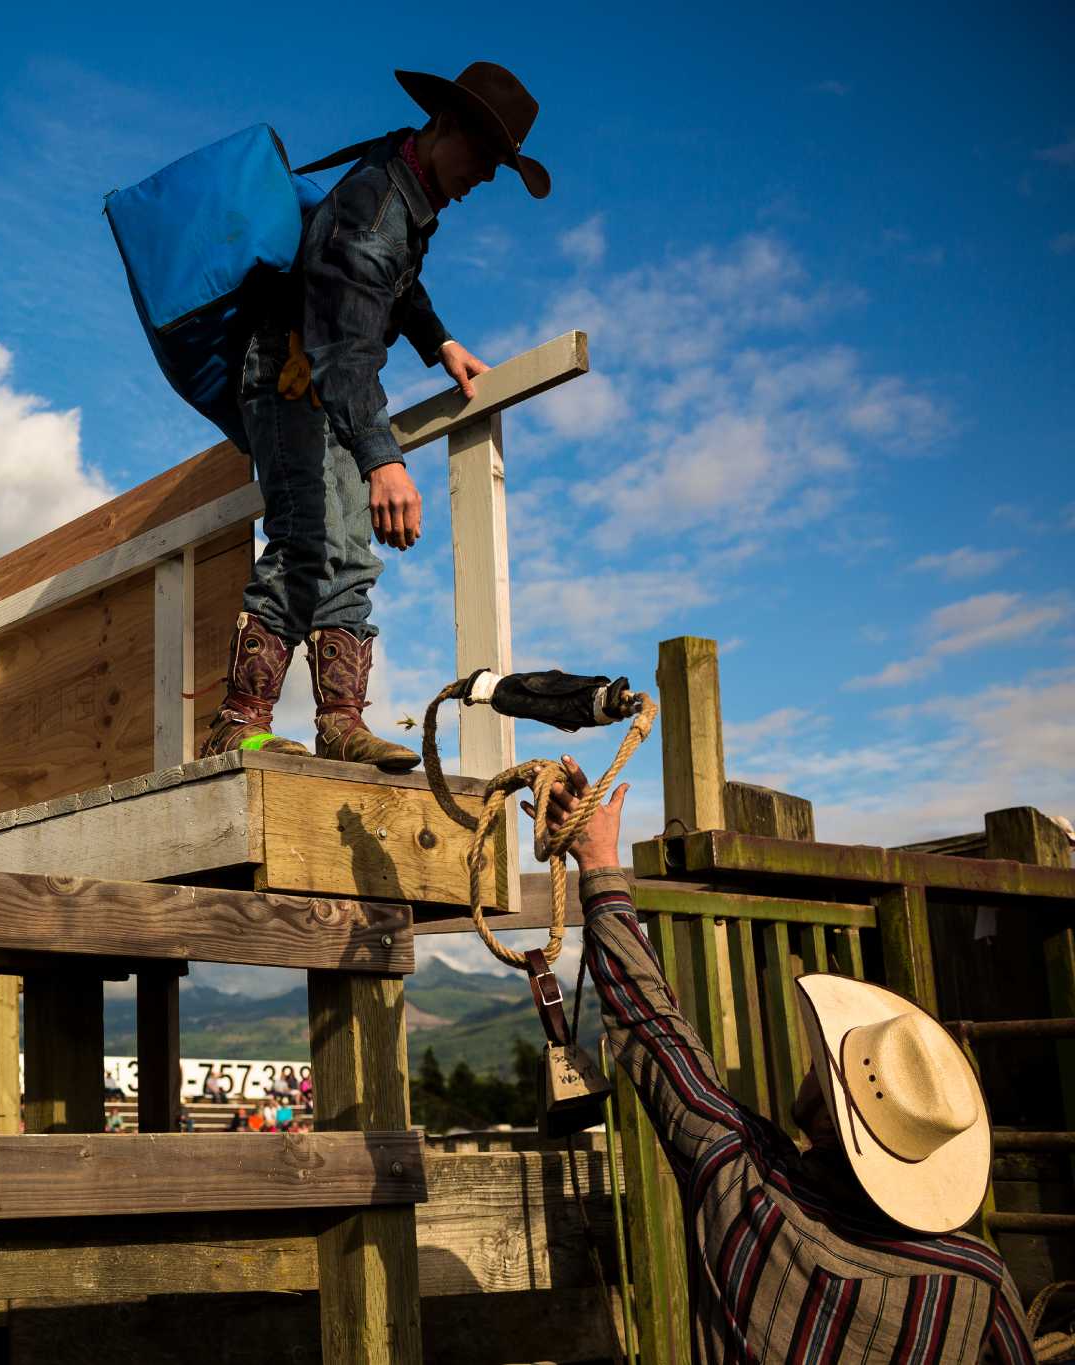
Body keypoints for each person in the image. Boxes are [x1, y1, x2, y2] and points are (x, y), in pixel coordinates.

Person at [536, 757, 1036, 1364]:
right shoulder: (975, 1281)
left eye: (828, 1068)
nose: (814, 1063)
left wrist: (599, 865)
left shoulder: (749, 1192)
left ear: (831, 1116)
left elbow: (656, 1035)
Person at [201, 62, 550, 766]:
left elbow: (397, 283)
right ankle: (239, 723)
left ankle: (340, 722)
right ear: (445, 127)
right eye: (484, 158)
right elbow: (347, 348)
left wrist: (440, 342)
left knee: (351, 553)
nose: (484, 179)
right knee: (306, 537)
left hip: (326, 380)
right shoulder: (374, 209)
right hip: (292, 373)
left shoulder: (406, 184)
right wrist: (384, 460)